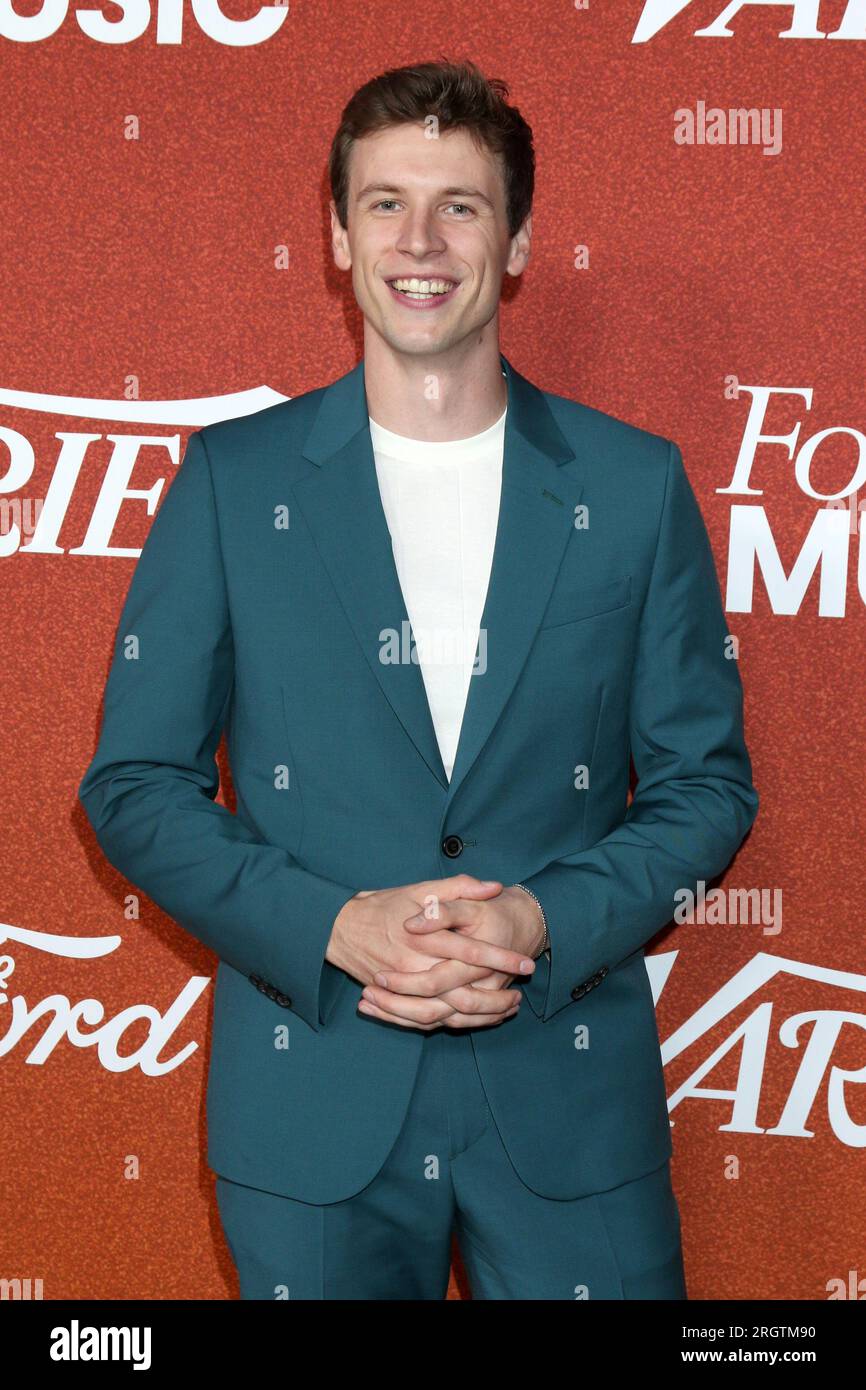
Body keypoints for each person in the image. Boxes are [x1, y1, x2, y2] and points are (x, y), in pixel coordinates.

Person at [79, 58, 758, 1300]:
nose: (420, 239)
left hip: (566, 1095)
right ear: (336, 236)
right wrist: (334, 928)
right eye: (385, 202)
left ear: (517, 243)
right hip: (313, 1097)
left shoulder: (631, 484)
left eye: (461, 204)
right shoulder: (236, 483)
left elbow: (704, 790)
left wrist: (538, 921)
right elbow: (132, 786)